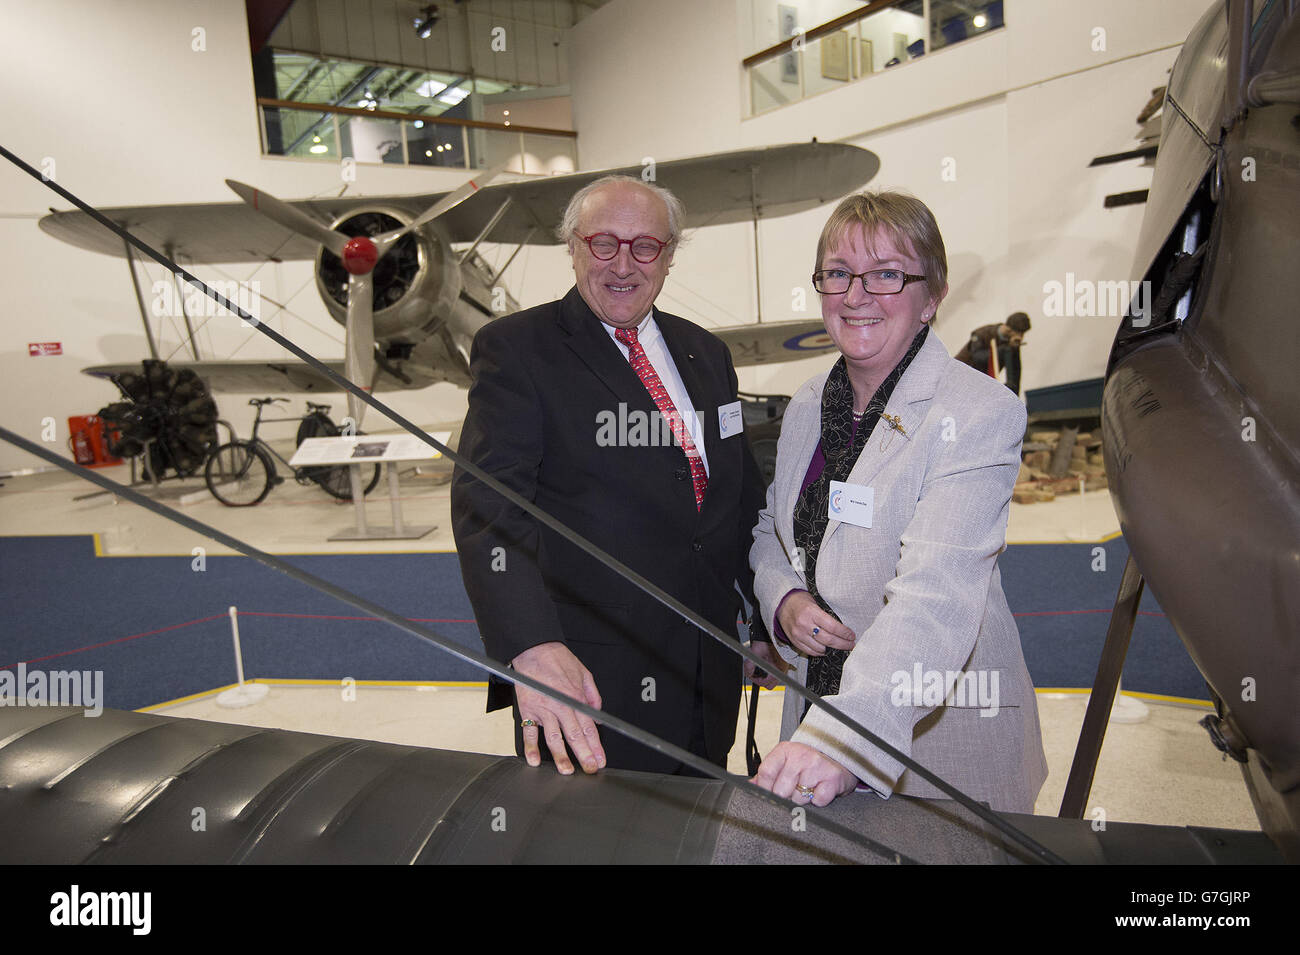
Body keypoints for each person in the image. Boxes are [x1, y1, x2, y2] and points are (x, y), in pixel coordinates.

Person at [451, 175, 772, 778]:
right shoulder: (517, 349)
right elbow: (490, 509)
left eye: (645, 246)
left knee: (690, 838)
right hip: (589, 684)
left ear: (669, 257)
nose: (624, 264)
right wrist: (531, 646)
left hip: (709, 671)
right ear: (572, 247)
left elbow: (737, 495)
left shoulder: (707, 353)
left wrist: (754, 613)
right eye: (604, 243)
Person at [749, 191, 1047, 812]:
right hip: (815, 713)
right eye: (838, 273)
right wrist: (784, 600)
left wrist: (841, 738)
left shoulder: (978, 412)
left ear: (932, 296)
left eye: (887, 274)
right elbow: (771, 531)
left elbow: (935, 593)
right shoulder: (806, 407)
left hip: (934, 739)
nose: (857, 296)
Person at [955, 312, 1031, 395]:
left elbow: (1016, 371)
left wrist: (1014, 397)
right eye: (1020, 334)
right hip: (960, 377)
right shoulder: (982, 334)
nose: (1021, 337)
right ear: (1009, 330)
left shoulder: (1011, 343)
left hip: (981, 382)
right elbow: (977, 357)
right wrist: (1003, 350)